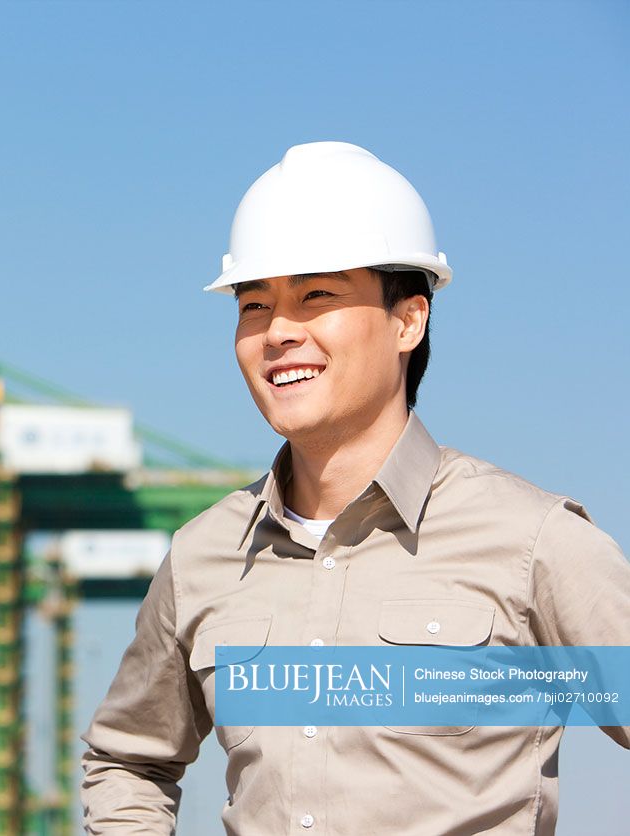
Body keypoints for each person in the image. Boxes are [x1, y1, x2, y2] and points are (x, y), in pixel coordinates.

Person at [81, 141, 630, 834]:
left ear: (408, 319)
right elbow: (129, 759)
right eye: (253, 305)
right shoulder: (203, 557)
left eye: (315, 296)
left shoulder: (532, 543)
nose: (277, 331)